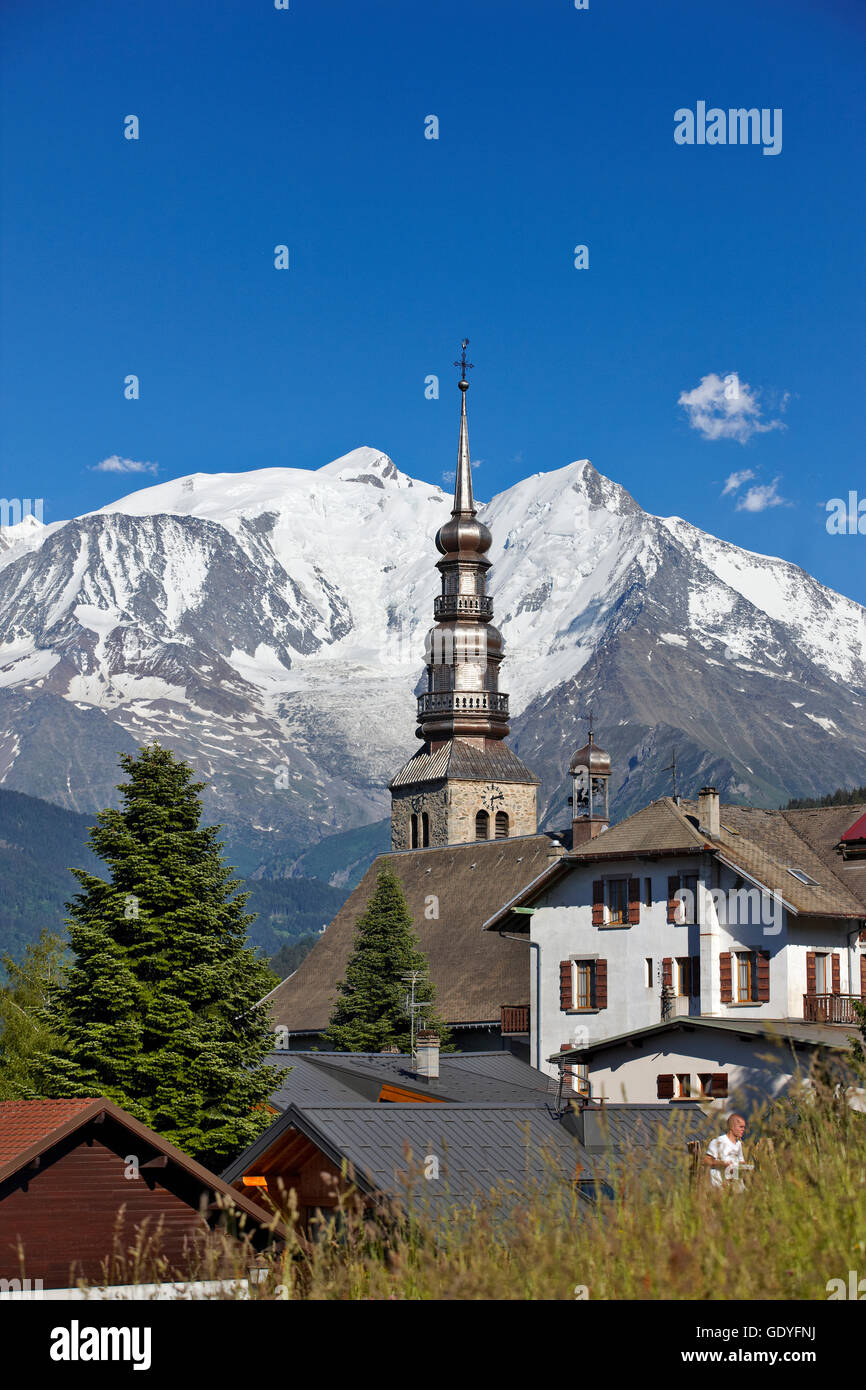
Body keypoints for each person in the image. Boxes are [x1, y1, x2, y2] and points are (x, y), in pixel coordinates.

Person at [704, 1113, 752, 1191]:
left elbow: (741, 1162)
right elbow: (706, 1160)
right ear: (732, 1127)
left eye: (744, 1127)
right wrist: (723, 1164)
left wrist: (746, 1167)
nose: (743, 1129)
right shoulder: (718, 1141)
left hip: (736, 1187)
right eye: (741, 1127)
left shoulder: (738, 1144)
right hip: (720, 1187)